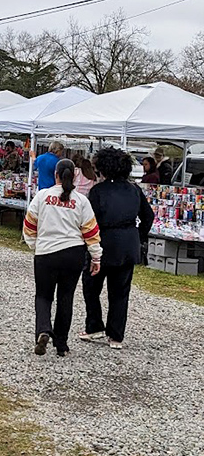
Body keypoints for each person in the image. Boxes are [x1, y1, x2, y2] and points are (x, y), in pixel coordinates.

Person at [23, 158, 102, 357]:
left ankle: (43, 329)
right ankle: (62, 345)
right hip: (73, 254)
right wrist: (96, 257)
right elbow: (91, 231)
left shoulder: (42, 196)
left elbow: (30, 225)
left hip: (46, 253)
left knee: (43, 296)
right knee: (65, 298)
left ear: (55, 174)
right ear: (74, 175)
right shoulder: (82, 201)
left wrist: (35, 244)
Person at [80, 147, 154, 350]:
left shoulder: (98, 191)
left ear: (103, 168)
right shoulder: (134, 190)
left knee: (91, 285)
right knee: (120, 292)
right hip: (128, 242)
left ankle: (94, 325)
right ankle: (116, 335)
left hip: (103, 241)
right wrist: (138, 236)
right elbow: (148, 216)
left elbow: (89, 221)